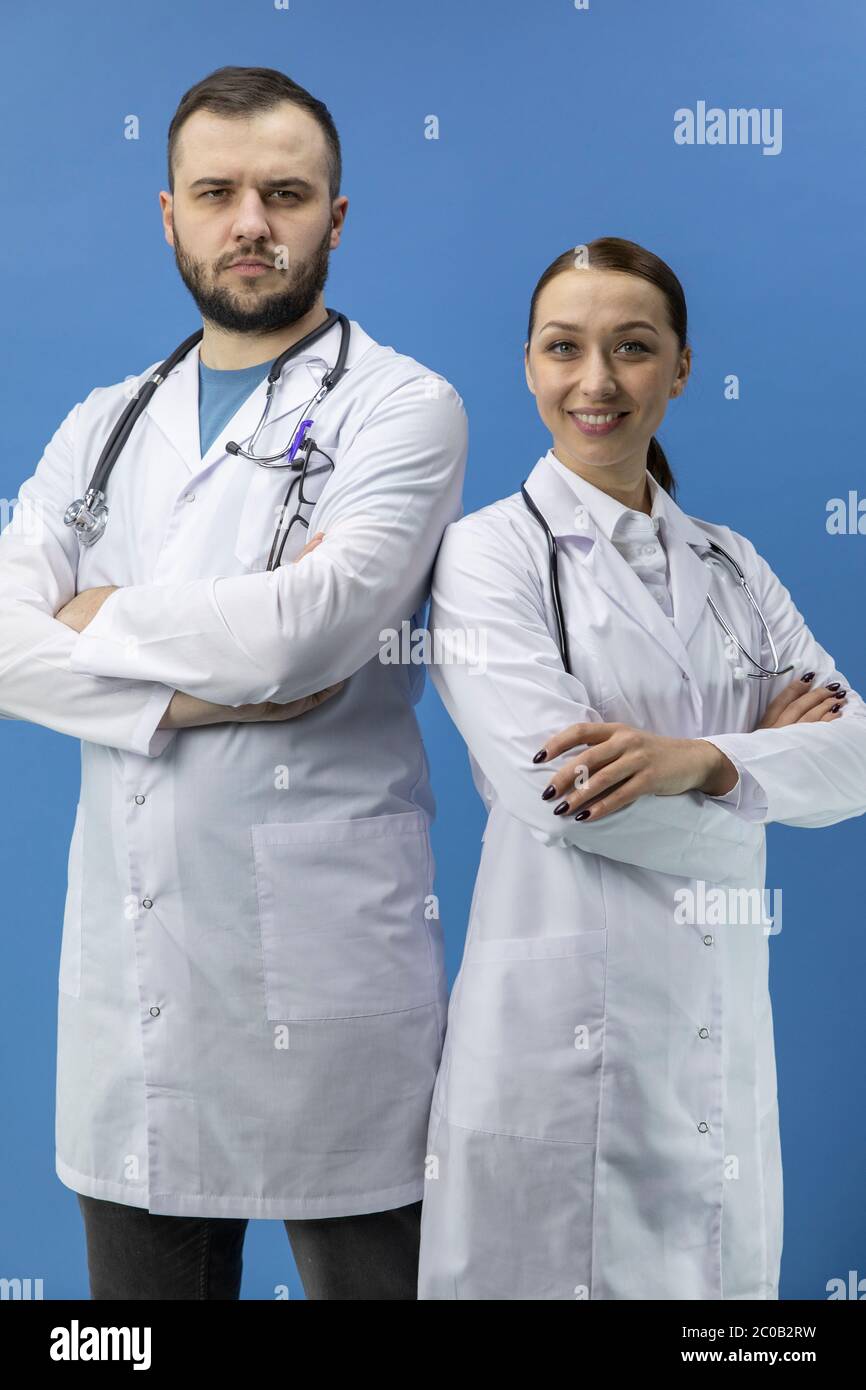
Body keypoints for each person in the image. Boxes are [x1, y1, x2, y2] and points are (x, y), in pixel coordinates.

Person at [0, 66, 467, 1300]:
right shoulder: (101, 424)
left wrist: (89, 618)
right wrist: (194, 695)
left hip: (324, 982)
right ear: (170, 215)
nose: (248, 221)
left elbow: (307, 634)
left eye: (283, 192)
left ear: (336, 216)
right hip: (132, 991)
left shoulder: (403, 408)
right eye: (216, 192)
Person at [416, 236, 866, 1300]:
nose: (596, 381)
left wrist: (692, 760)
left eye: (631, 347)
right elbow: (560, 797)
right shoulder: (486, 556)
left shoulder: (729, 562)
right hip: (554, 1043)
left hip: (709, 1034)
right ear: (527, 365)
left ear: (678, 367)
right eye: (564, 348)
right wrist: (758, 769)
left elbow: (854, 754)